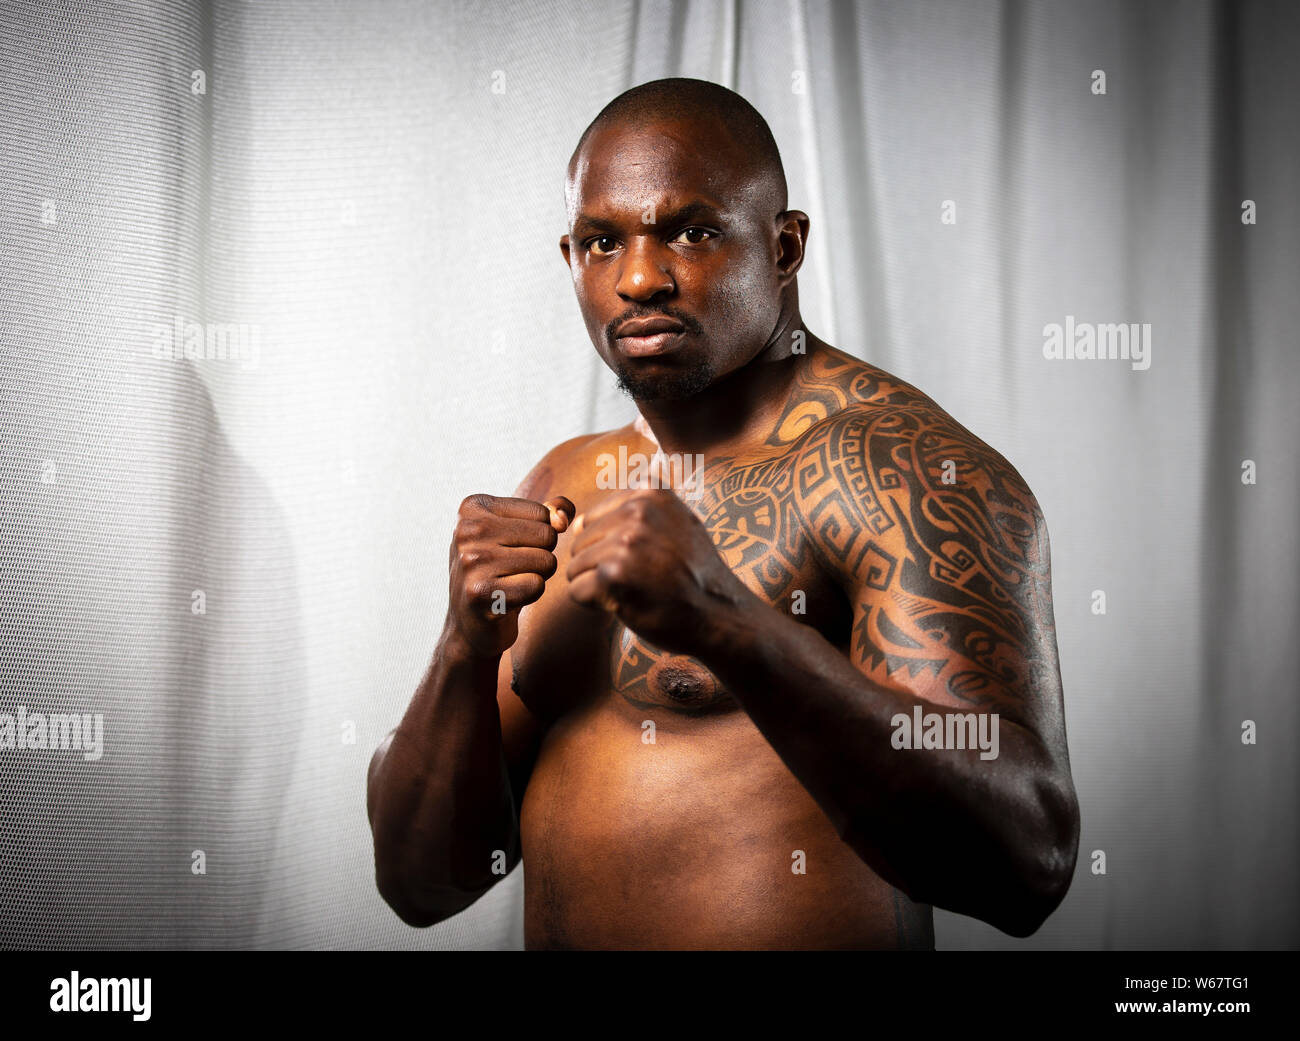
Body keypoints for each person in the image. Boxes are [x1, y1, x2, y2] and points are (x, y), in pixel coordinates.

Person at [367, 77, 1080, 949]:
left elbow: (1028, 861)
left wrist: (729, 625)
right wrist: (462, 651)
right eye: (601, 243)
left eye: (692, 232)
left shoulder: (896, 468)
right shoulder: (565, 479)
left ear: (784, 246)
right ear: (570, 260)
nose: (637, 277)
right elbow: (420, 882)